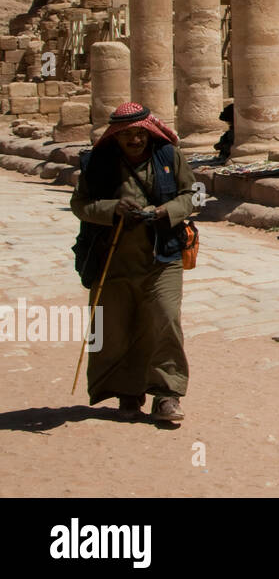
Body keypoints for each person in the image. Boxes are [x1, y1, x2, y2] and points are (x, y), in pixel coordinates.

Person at [70, 102, 196, 423]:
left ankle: (167, 394)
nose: (136, 141)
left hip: (161, 256)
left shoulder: (168, 157)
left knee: (165, 320)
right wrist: (111, 209)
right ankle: (128, 393)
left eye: (140, 134)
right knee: (115, 328)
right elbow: (80, 204)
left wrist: (163, 212)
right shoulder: (98, 163)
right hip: (111, 259)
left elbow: (191, 197)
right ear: (116, 136)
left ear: (149, 131)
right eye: (128, 136)